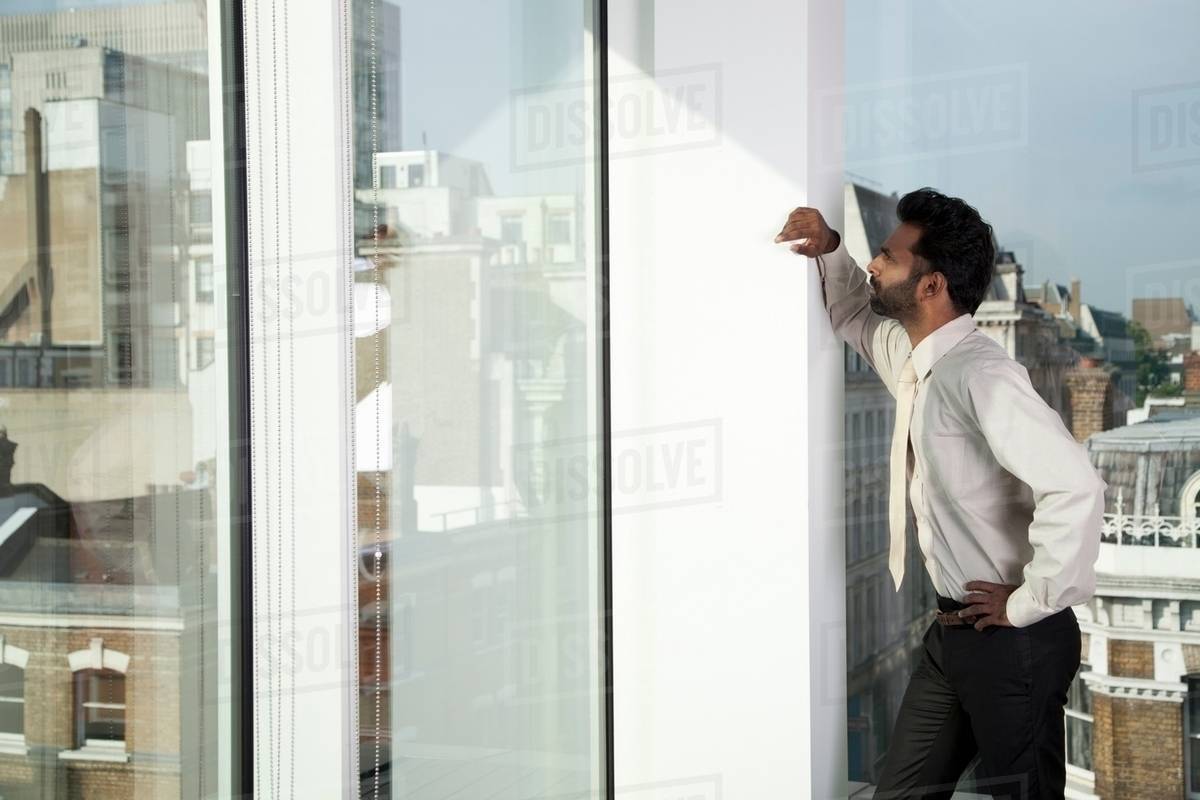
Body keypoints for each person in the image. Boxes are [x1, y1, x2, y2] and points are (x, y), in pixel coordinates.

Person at [775, 188, 1107, 799]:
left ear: (931, 286)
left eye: (888, 257)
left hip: (1015, 641)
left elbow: (1077, 485)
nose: (876, 264)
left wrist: (1029, 601)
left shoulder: (982, 373)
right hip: (951, 632)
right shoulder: (914, 356)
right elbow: (852, 315)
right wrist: (831, 249)